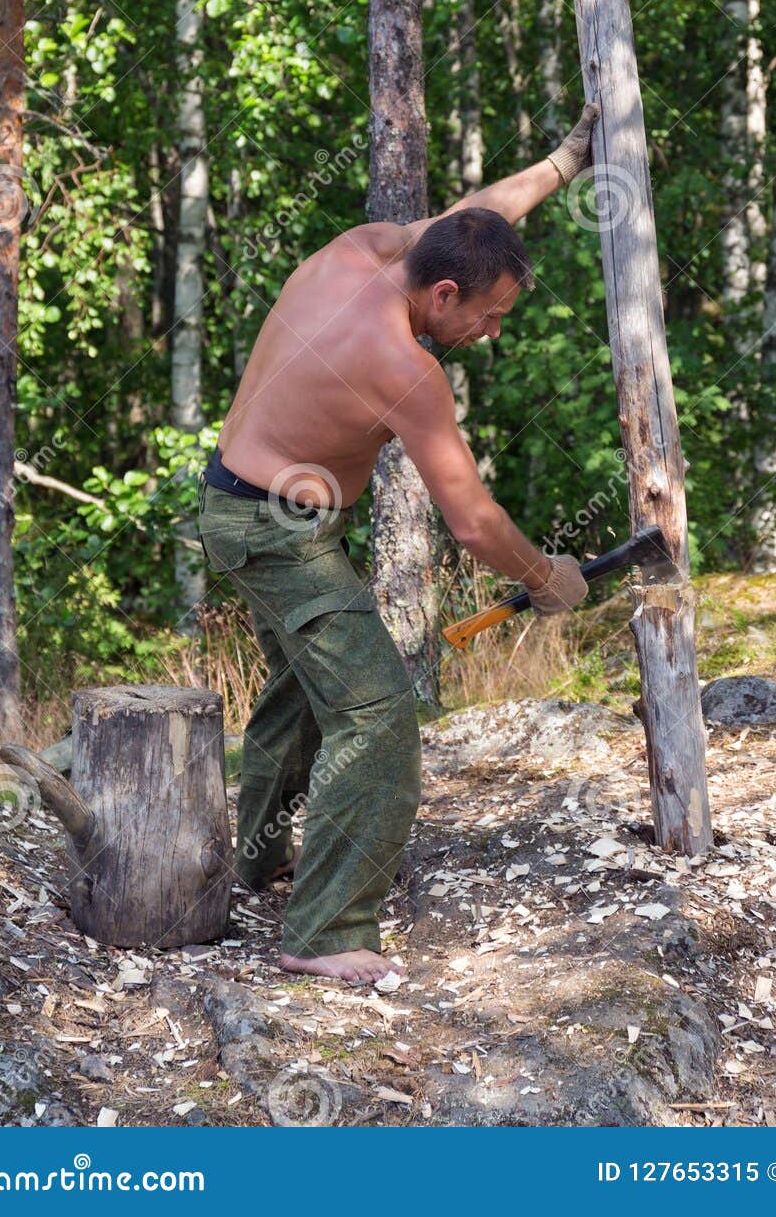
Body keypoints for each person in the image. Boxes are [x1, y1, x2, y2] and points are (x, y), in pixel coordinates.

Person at [197, 105, 598, 983]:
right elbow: (472, 522)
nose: (490, 338)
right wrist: (549, 577)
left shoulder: (368, 248)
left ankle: (255, 861)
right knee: (376, 716)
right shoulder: (404, 370)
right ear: (444, 294)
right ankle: (327, 932)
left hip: (237, 502)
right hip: (275, 532)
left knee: (306, 691)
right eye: (488, 319)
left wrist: (563, 163)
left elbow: (476, 216)